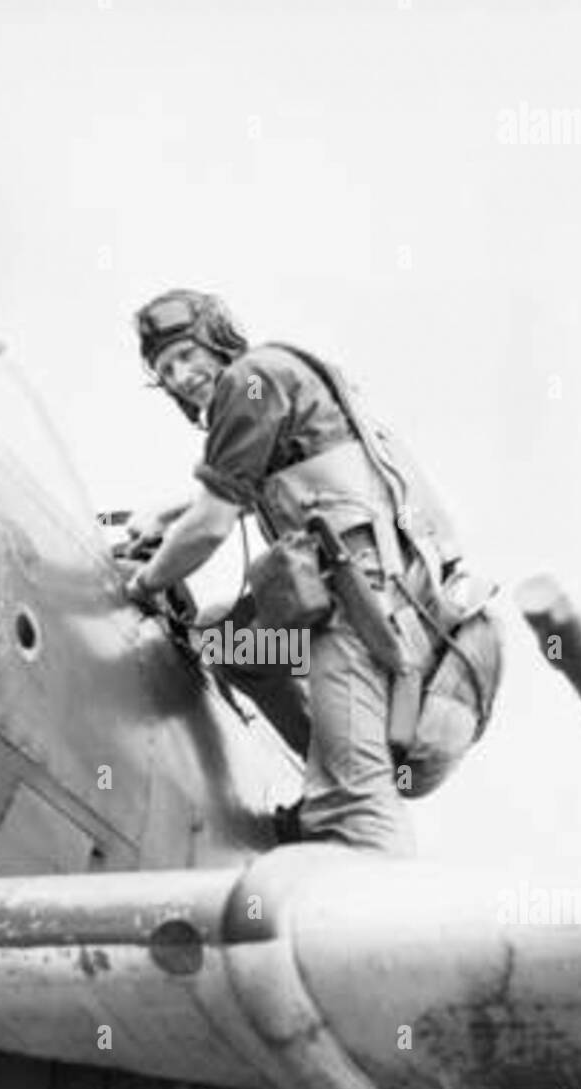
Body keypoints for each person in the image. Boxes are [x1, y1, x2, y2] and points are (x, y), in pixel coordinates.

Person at [121, 289, 499, 856]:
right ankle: (339, 763)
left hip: (361, 615)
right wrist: (164, 513)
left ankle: (355, 807)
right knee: (231, 640)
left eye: (186, 354)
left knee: (361, 812)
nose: (180, 375)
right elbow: (269, 486)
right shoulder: (274, 379)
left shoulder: (248, 381)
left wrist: (141, 584)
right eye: (166, 369)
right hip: (385, 607)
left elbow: (210, 525)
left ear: (216, 340)